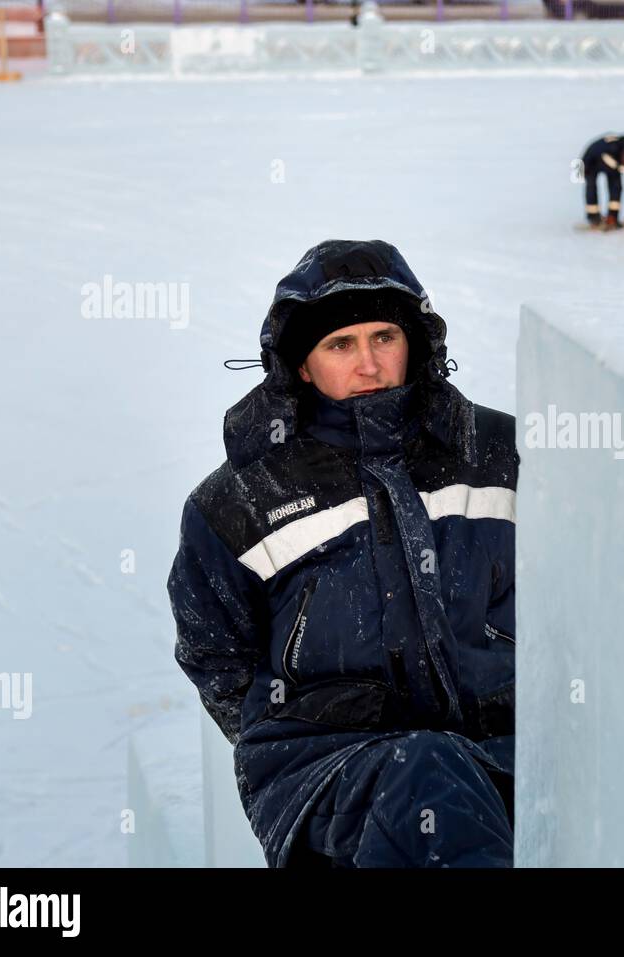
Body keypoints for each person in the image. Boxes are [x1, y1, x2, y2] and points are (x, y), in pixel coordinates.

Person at [166, 239, 518, 868]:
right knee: (424, 775)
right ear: (301, 365)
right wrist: (293, 723)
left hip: (503, 746)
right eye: (340, 345)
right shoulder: (239, 501)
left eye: (384, 336)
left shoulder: (497, 452)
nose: (369, 364)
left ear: (415, 341)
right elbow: (214, 653)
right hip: (322, 766)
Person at [581, 133, 624, 229]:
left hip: (613, 165)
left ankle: (612, 217)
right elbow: (586, 159)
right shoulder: (610, 148)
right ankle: (593, 218)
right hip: (591, 162)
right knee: (591, 186)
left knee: (616, 187)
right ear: (623, 154)